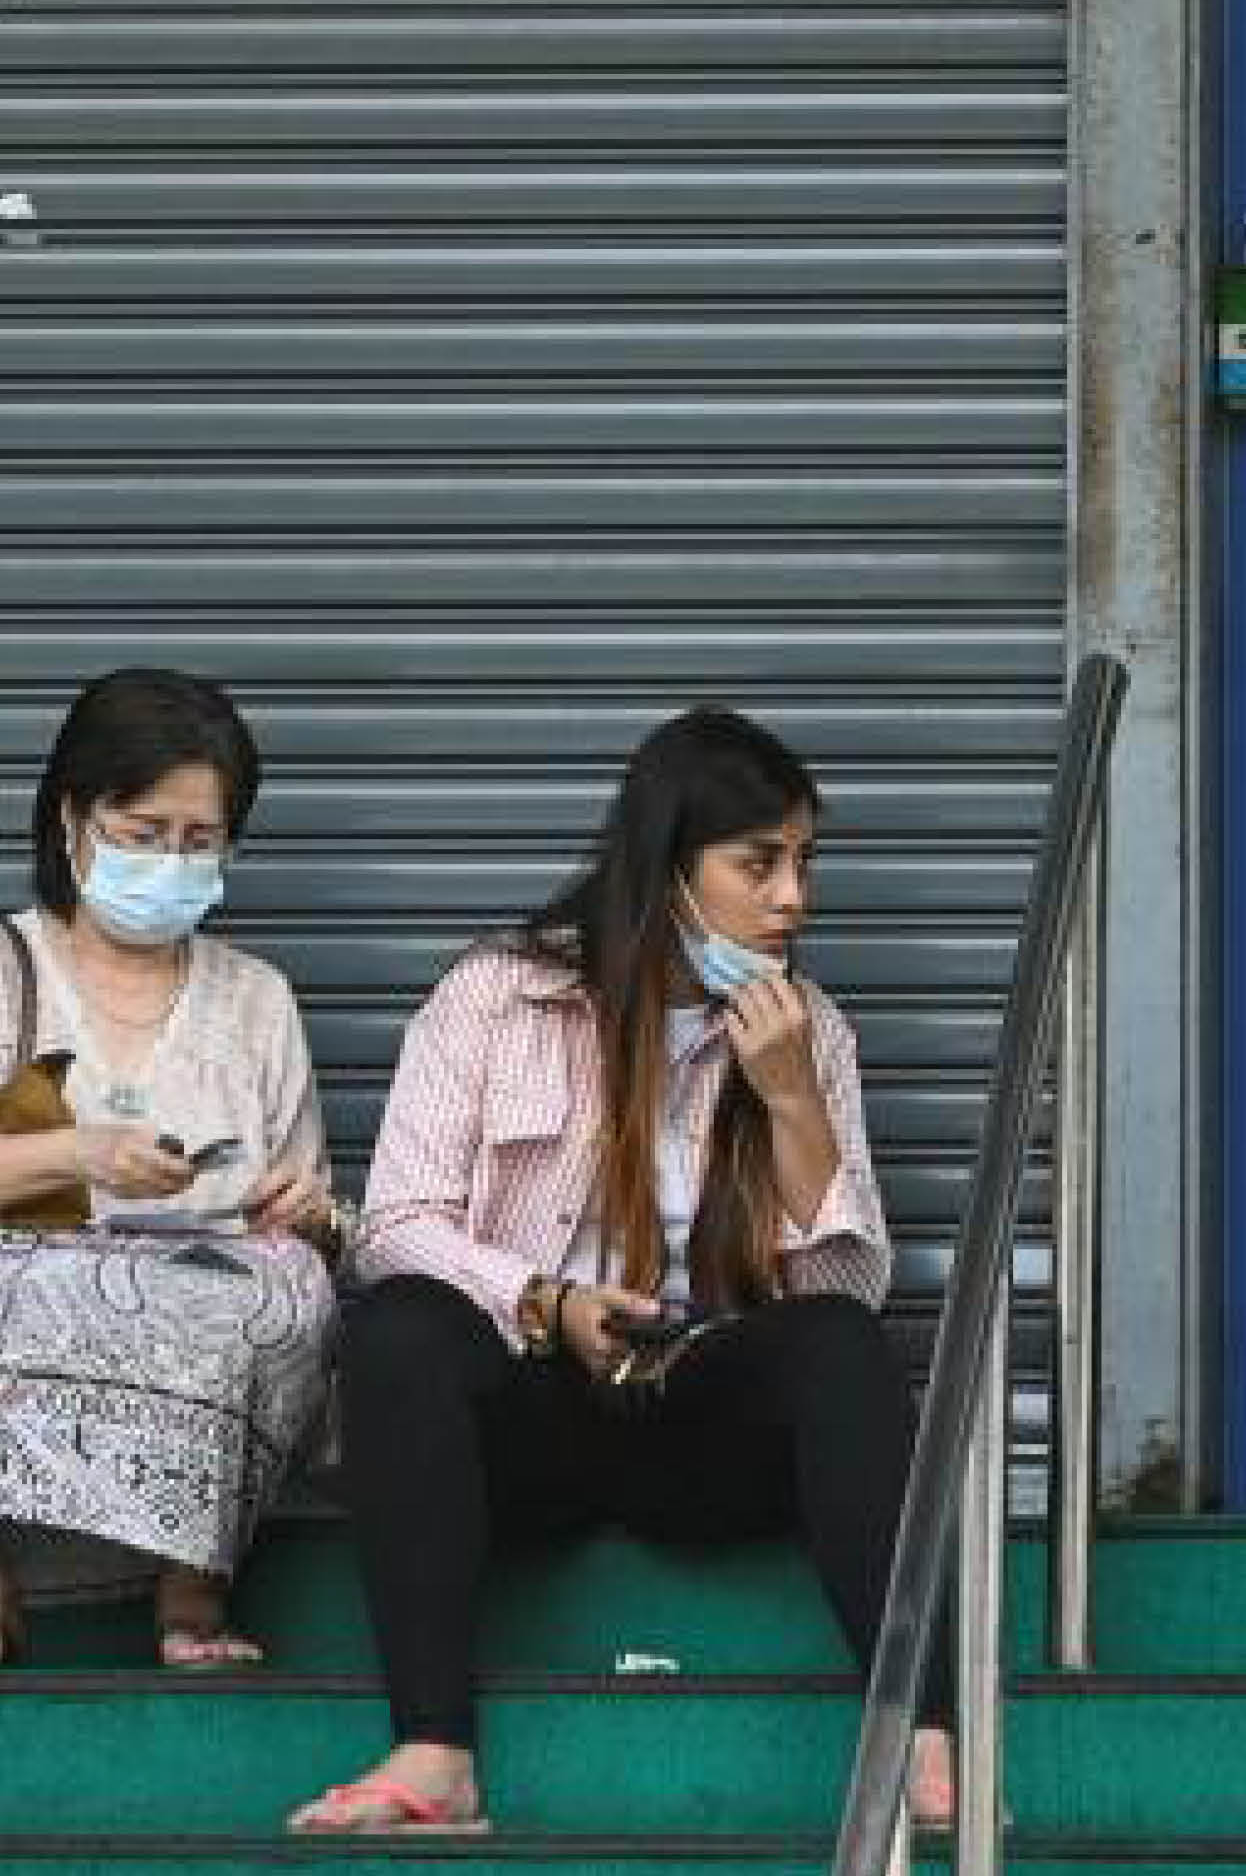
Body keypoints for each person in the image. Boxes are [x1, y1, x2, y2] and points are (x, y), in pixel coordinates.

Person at [288, 706, 950, 1837]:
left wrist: (790, 1098)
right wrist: (549, 1303)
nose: (796, 897)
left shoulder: (810, 1033)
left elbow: (844, 1289)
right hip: (532, 1411)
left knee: (841, 1347)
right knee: (397, 1326)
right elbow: (396, 1221)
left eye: (804, 862)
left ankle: (924, 1738)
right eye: (760, 863)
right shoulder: (498, 997)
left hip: (696, 1422)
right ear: (670, 871)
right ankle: (436, 1756)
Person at [0, 667, 339, 1668]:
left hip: (195, 1287)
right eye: (144, 834)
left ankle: (191, 1589)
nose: (171, 862)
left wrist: (306, 1212)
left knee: (291, 1289)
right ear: (73, 817)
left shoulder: (256, 1000)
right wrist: (77, 1152)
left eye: (200, 840)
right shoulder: (9, 967)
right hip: (28, 1284)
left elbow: (305, 1195)